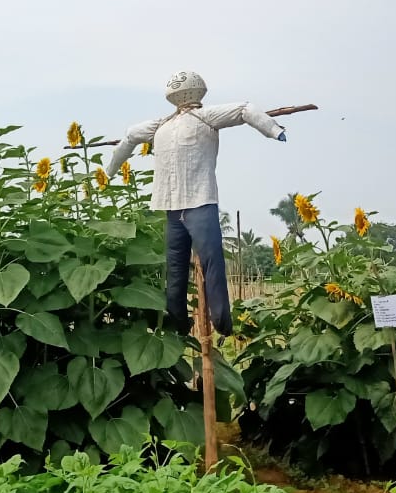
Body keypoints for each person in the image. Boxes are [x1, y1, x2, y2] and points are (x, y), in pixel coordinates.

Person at [105, 70, 286, 336]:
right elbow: (131, 137)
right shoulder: (162, 124)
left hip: (200, 202)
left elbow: (244, 110)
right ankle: (179, 323)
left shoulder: (205, 116)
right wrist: (109, 170)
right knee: (176, 269)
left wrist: (272, 128)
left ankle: (221, 322)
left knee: (211, 261)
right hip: (174, 205)